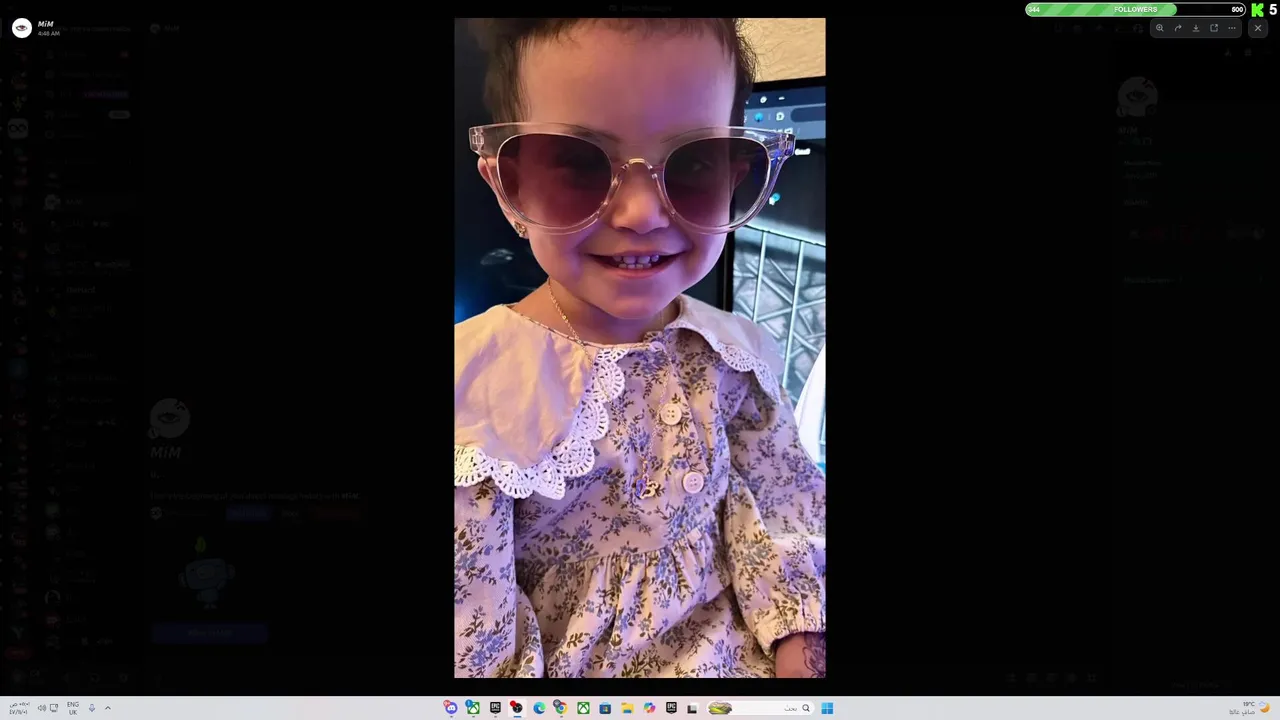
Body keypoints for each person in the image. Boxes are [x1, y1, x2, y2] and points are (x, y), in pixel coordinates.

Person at [454, 18, 826, 678]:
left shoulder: (733, 353)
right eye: (577, 164)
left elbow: (781, 506)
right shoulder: (476, 384)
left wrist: (802, 642)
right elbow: (476, 633)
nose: (640, 214)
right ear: (508, 186)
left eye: (694, 165)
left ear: (735, 177)